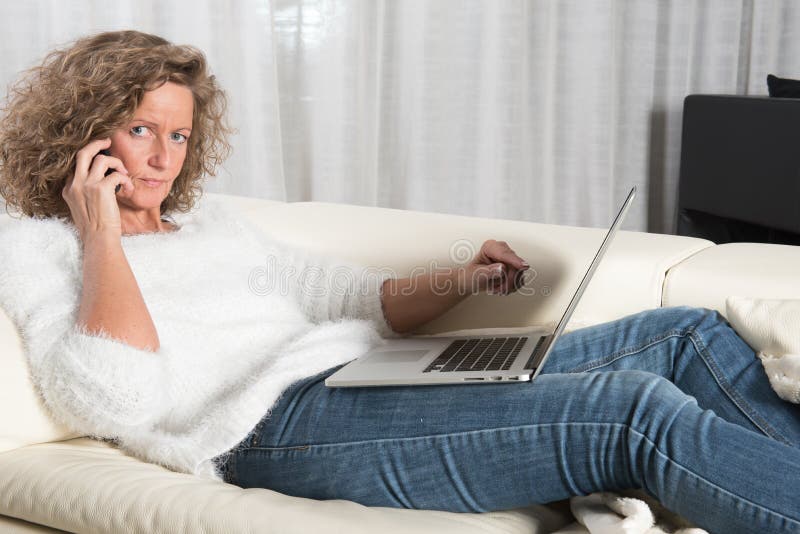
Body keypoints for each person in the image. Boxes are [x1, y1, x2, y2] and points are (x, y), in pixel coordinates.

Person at [0, 30, 797, 534]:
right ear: (85, 134)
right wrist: (102, 234)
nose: (162, 158)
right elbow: (112, 399)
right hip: (274, 429)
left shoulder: (210, 224)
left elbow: (350, 298)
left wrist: (464, 278)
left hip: (363, 373)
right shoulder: (40, 247)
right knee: (630, 412)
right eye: (140, 129)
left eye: (178, 135)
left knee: (687, 334)